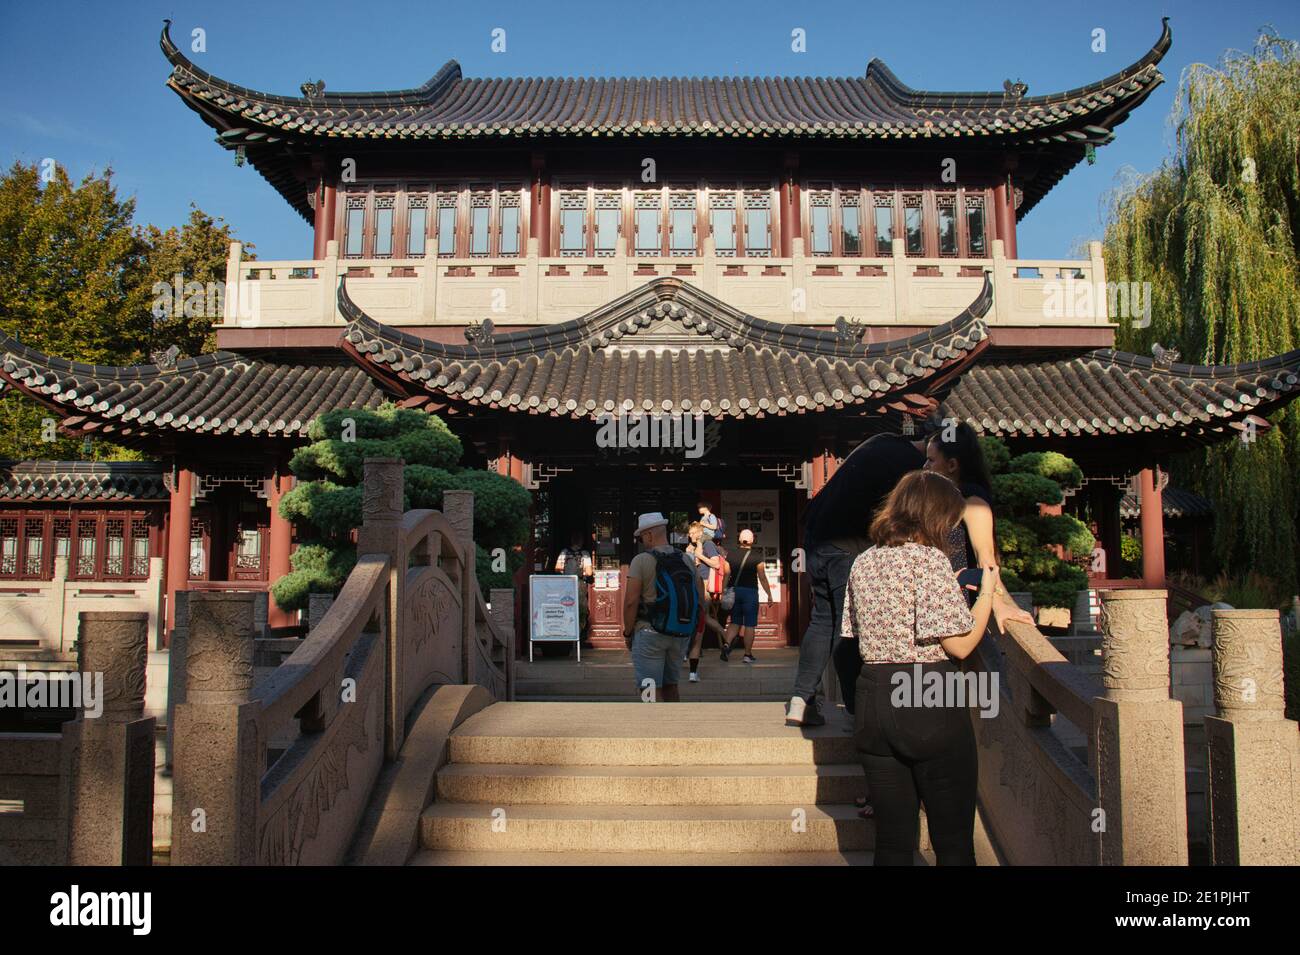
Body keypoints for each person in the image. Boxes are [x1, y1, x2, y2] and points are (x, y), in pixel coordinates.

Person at [843, 470, 998, 866]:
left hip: (873, 695)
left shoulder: (863, 561)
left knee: (893, 843)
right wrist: (988, 593)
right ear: (935, 515)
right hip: (927, 695)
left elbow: (854, 632)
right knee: (953, 843)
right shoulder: (930, 561)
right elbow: (960, 644)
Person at [787, 433, 925, 727]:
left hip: (815, 536)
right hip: (846, 545)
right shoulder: (915, 466)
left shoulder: (880, 442)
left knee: (823, 620)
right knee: (849, 626)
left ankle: (801, 701)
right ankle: (854, 709)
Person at [624, 512, 707, 702]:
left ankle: (650, 724)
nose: (642, 541)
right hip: (679, 633)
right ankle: (673, 726)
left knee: (649, 687)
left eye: (643, 536)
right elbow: (701, 599)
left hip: (649, 632)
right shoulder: (686, 559)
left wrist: (628, 633)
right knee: (671, 685)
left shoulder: (641, 560)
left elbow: (630, 602)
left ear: (650, 535)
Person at [719, 528, 772, 664]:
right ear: (752, 540)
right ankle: (747, 655)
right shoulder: (756, 557)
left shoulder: (730, 556)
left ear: (739, 540)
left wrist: (723, 591)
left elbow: (726, 574)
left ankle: (726, 645)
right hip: (750, 593)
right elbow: (762, 577)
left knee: (735, 622)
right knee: (749, 624)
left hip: (734, 591)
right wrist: (769, 594)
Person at [684, 522, 726, 682]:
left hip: (705, 585)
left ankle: (725, 637)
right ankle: (726, 638)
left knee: (702, 618)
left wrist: (699, 556)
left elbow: (715, 563)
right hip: (696, 585)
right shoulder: (693, 546)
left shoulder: (707, 544)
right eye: (689, 533)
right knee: (702, 617)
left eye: (693, 532)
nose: (690, 535)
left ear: (699, 532)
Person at [554, 530, 594, 637]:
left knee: (566, 607)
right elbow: (589, 572)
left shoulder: (564, 552)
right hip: (579, 584)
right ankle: (579, 633)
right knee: (581, 609)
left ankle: (567, 631)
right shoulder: (584, 554)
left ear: (572, 540)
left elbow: (557, 568)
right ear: (582, 541)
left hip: (565, 584)